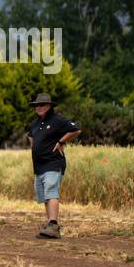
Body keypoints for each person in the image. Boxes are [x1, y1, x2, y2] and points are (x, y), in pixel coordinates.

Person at [26, 93, 82, 239]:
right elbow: (30, 135)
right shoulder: (36, 123)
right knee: (45, 196)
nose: (38, 107)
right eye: (36, 105)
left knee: (51, 191)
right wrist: (35, 147)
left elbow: (76, 129)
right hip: (39, 165)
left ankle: (53, 225)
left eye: (42, 104)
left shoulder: (57, 120)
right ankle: (50, 225)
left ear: (49, 106)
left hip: (53, 162)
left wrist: (61, 142)